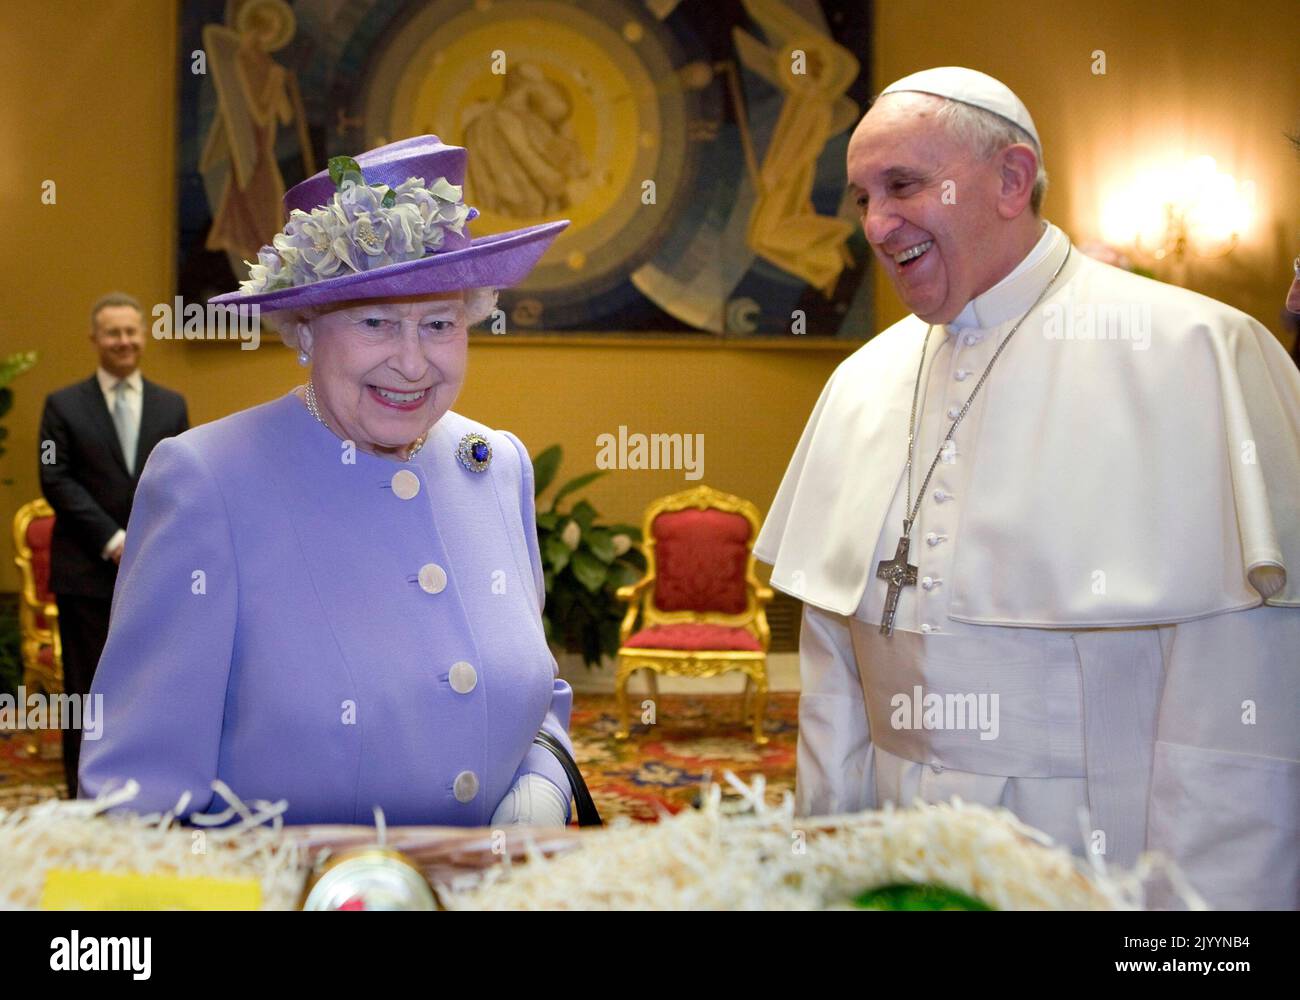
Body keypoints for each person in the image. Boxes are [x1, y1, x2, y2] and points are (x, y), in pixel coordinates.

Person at [756, 68, 1300, 909]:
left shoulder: (1196, 354)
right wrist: (832, 874)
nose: (874, 223)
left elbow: (1238, 726)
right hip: (900, 859)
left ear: (1012, 179)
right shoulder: (862, 381)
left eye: (902, 185)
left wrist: (1200, 941)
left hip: (1099, 863)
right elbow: (834, 689)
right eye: (861, 195)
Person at [80, 135, 576, 828]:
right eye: (375, 322)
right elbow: (136, 799)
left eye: (439, 323)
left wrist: (541, 789)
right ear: (304, 329)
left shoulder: (496, 466)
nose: (412, 363)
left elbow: (535, 697)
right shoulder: (206, 483)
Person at [38, 292, 189, 796]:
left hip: (153, 573)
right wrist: (112, 538)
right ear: (95, 340)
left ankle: (142, 790)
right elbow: (54, 479)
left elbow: (182, 483)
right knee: (86, 692)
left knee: (148, 685)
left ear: (142, 335)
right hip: (86, 574)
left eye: (131, 331)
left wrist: (147, 543)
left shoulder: (171, 406)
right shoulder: (62, 406)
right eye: (113, 333)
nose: (123, 342)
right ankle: (82, 797)